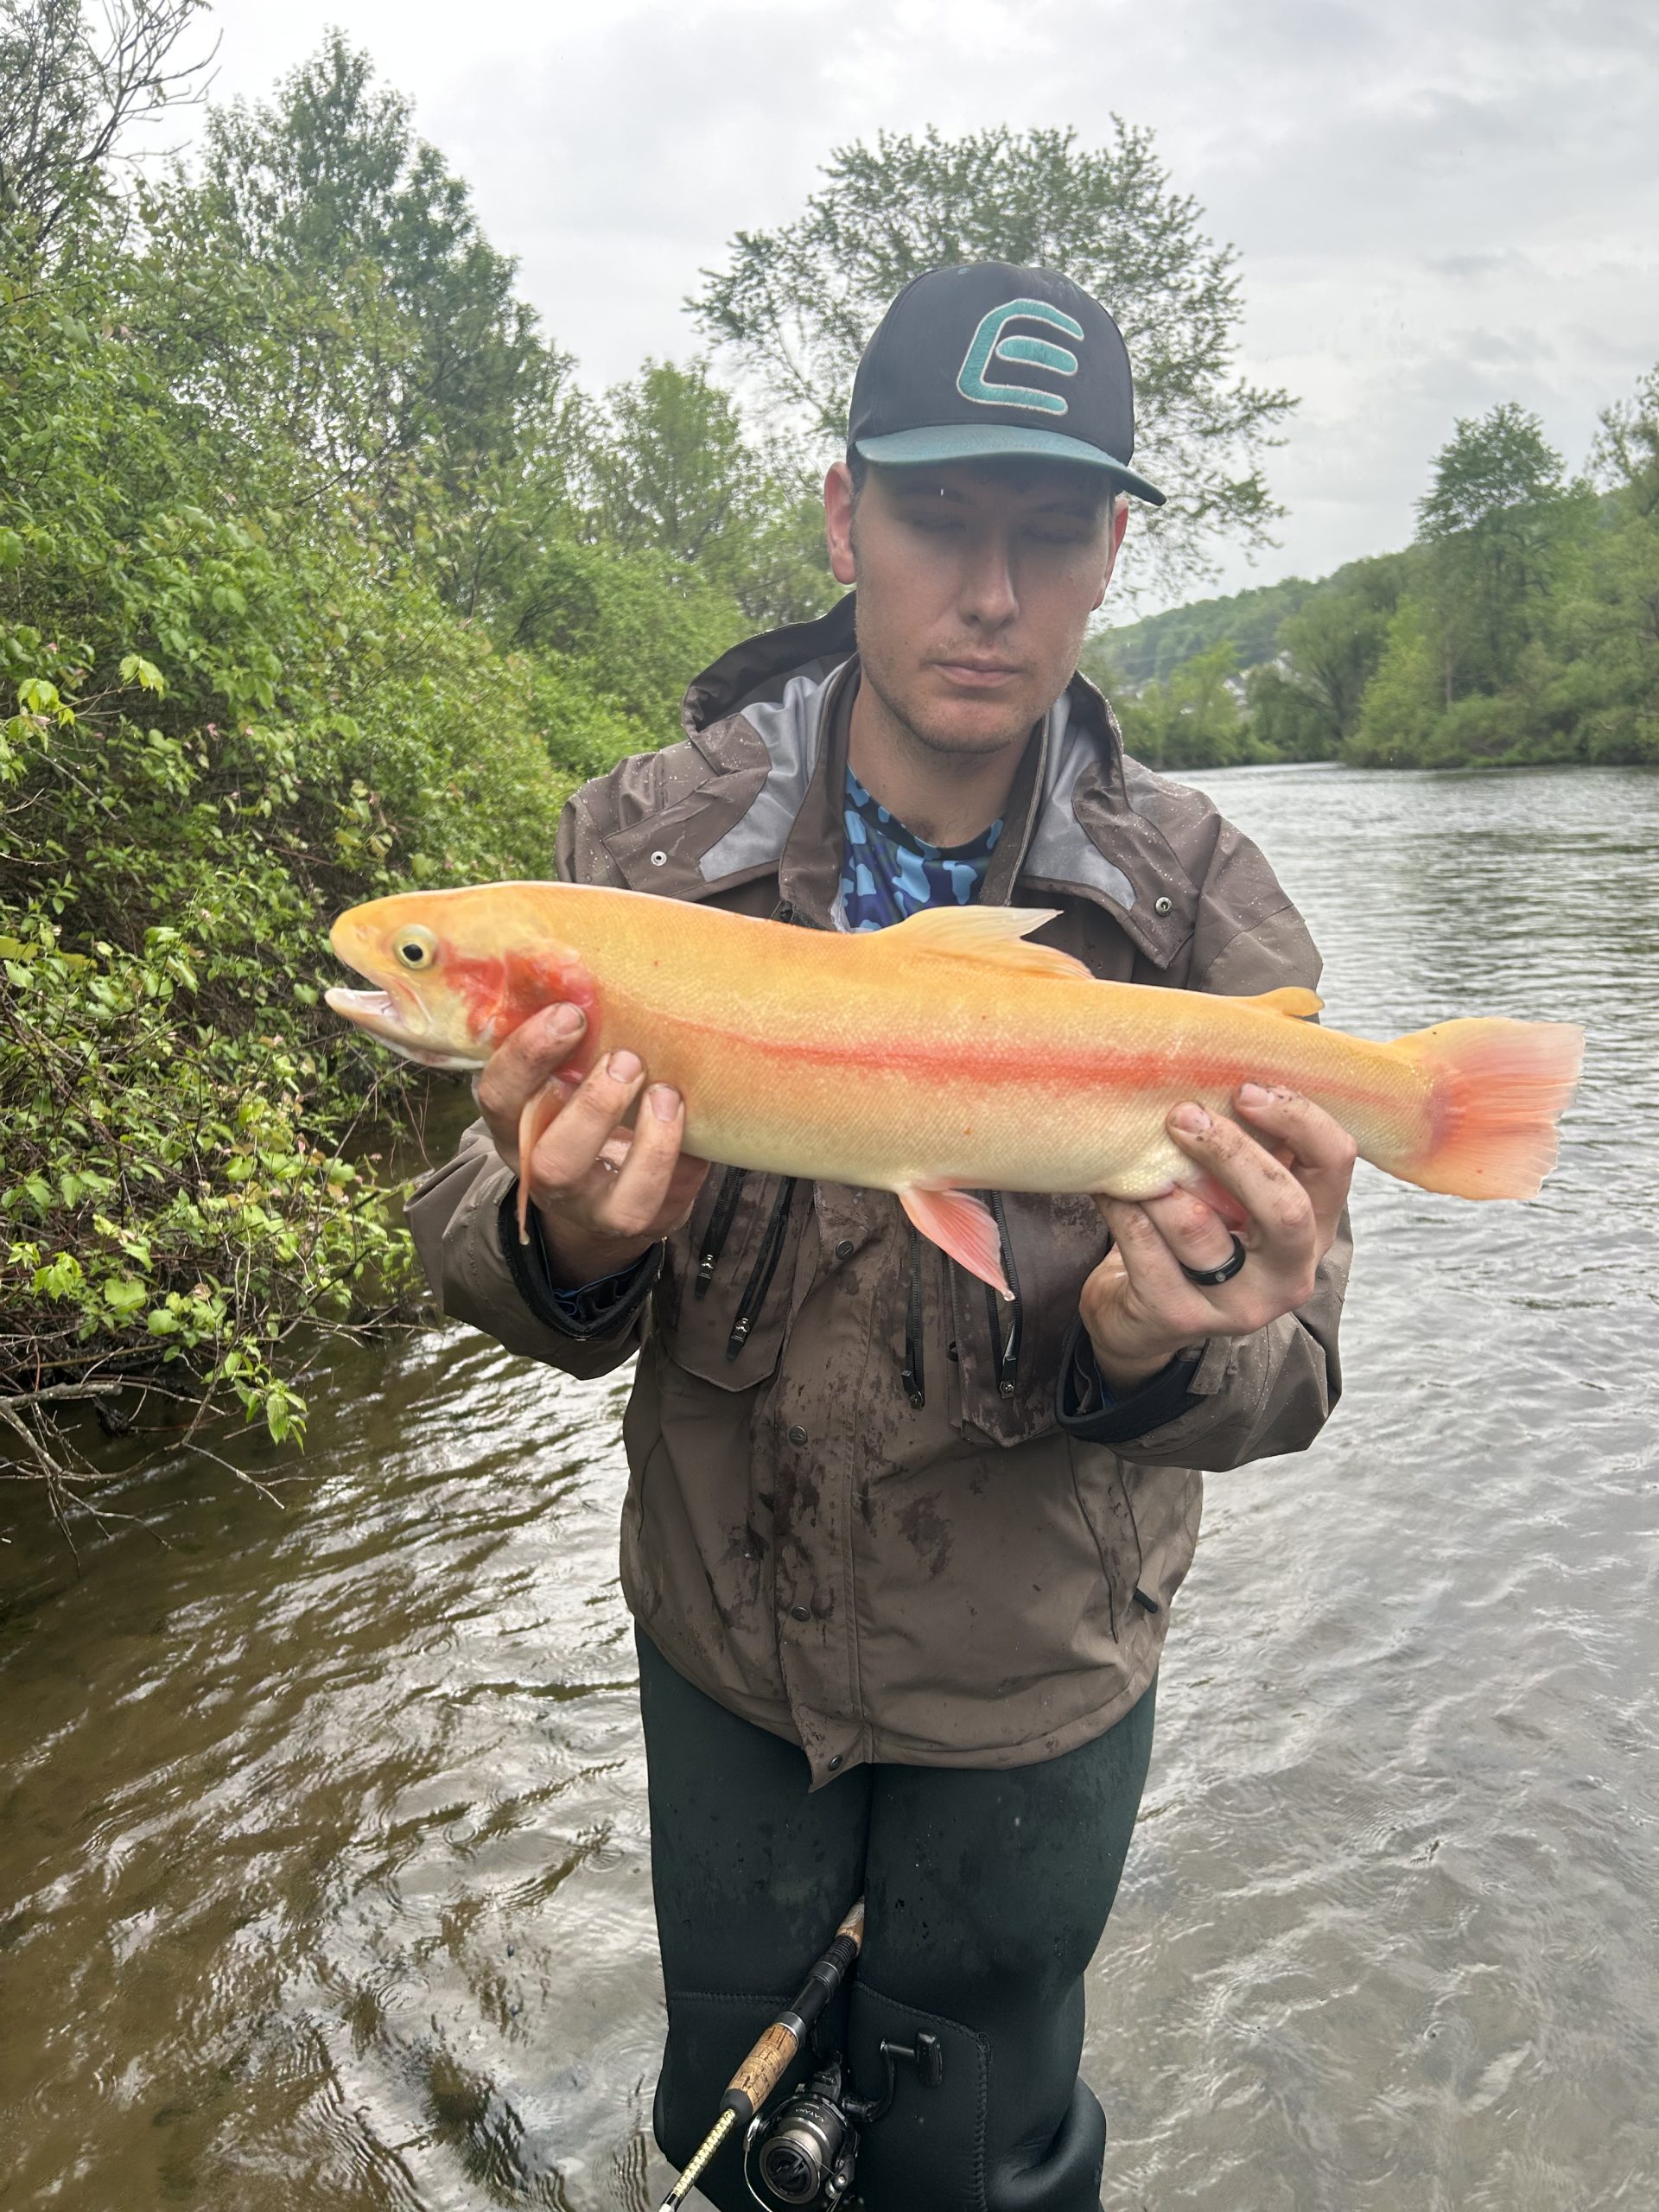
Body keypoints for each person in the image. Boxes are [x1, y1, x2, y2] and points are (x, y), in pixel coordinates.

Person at [407, 262, 1354, 2211]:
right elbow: (464, 1236)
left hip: (1039, 1685)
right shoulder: (639, 853)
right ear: (847, 515)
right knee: (724, 2120)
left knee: (986, 2150)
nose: (988, 592)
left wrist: (1159, 1326)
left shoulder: (1202, 912)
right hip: (728, 1655)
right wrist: (556, 1228)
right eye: (938, 519)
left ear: (1112, 553)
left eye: (1045, 532)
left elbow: (1298, 1363)